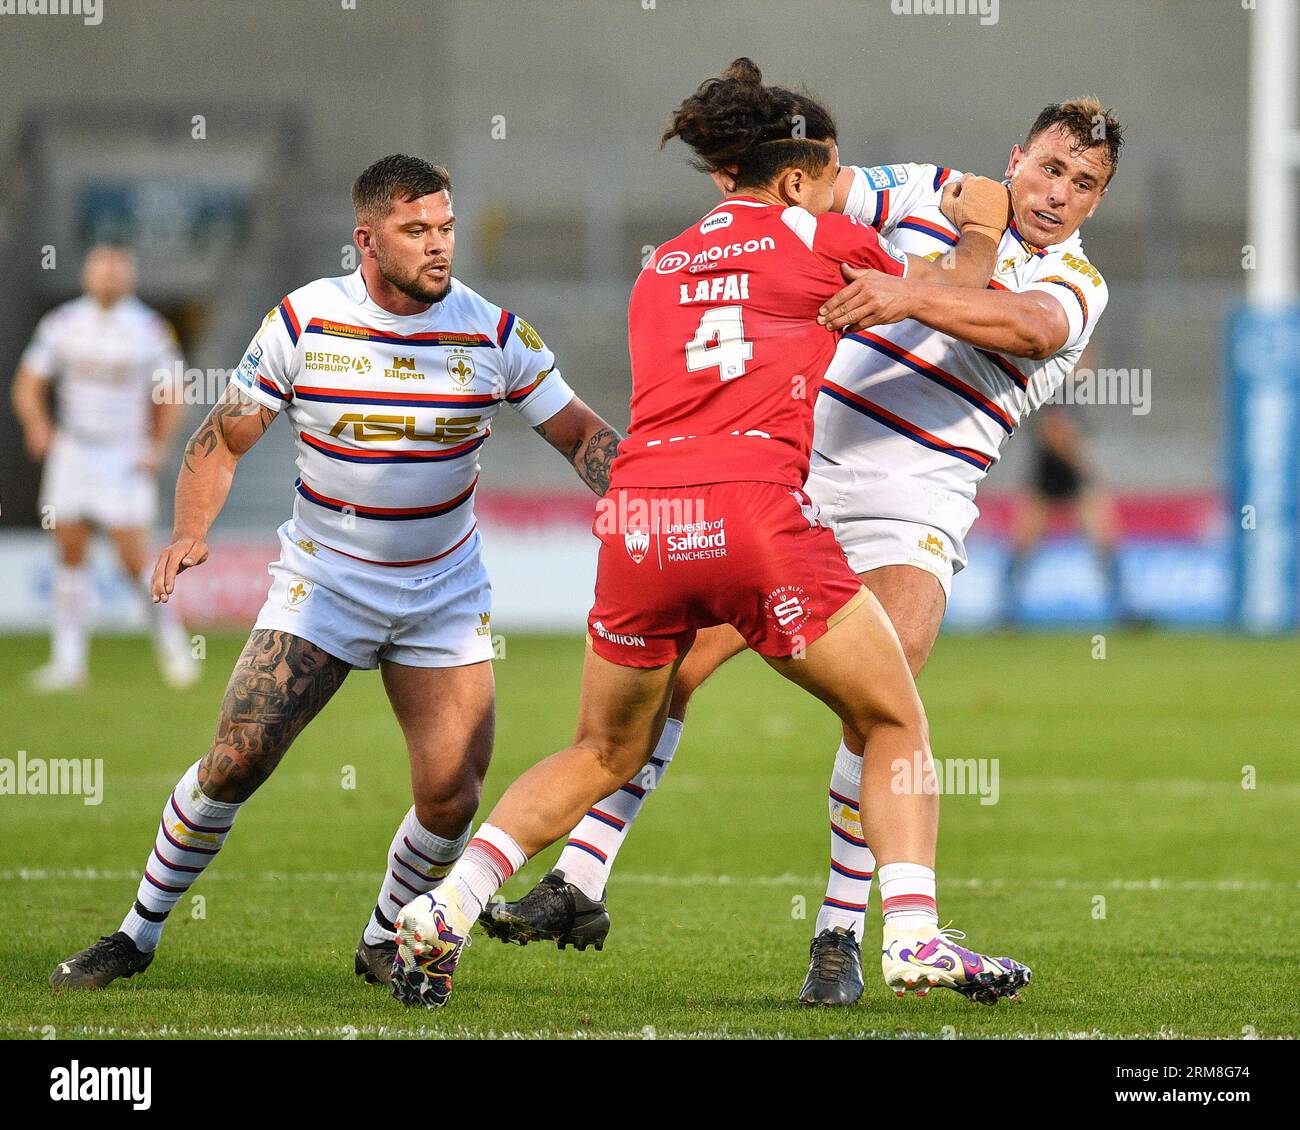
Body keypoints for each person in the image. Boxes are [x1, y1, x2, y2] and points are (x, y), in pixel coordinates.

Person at [389, 59, 1027, 1010]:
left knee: (603, 750)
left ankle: (449, 904)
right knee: (891, 715)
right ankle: (916, 938)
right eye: (829, 173)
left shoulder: (664, 263)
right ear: (801, 177)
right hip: (755, 513)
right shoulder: (823, 237)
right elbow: (947, 293)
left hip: (641, 519)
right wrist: (978, 222)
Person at [47, 154, 620, 990]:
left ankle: (385, 939)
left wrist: (656, 507)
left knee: (452, 797)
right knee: (236, 759)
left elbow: (581, 436)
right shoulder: (303, 321)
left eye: (447, 228)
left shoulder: (494, 333)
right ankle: (136, 933)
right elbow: (224, 436)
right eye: (416, 231)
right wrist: (189, 529)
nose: (439, 247)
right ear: (366, 240)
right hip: (324, 582)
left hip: (443, 591)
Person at [11, 244, 197, 692]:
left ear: (128, 277)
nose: (108, 278)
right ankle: (68, 662)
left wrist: (156, 448)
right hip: (74, 450)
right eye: (101, 269)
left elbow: (174, 391)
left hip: (122, 453)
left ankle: (173, 645)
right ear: (87, 275)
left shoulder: (148, 328)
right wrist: (38, 426)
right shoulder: (62, 323)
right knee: (69, 553)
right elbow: (28, 383)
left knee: (132, 560)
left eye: (117, 270)